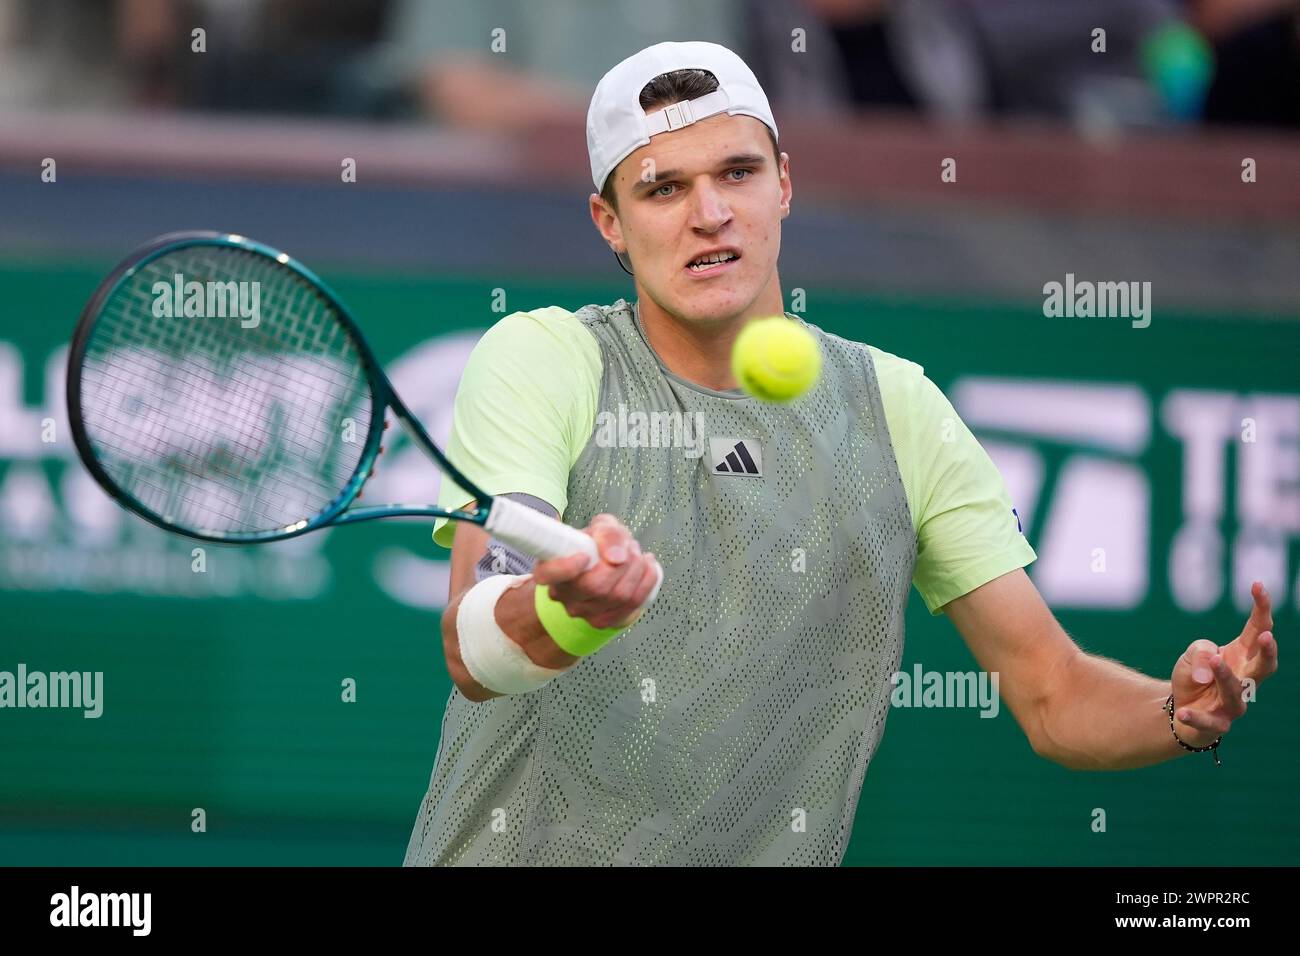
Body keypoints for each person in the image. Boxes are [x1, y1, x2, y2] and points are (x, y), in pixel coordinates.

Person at [403, 41, 1279, 866]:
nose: (710, 215)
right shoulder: (544, 359)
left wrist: (1177, 712)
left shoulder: (899, 409)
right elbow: (474, 647)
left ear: (783, 184)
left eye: (737, 174)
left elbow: (1054, 694)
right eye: (664, 189)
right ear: (610, 223)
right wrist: (570, 612)